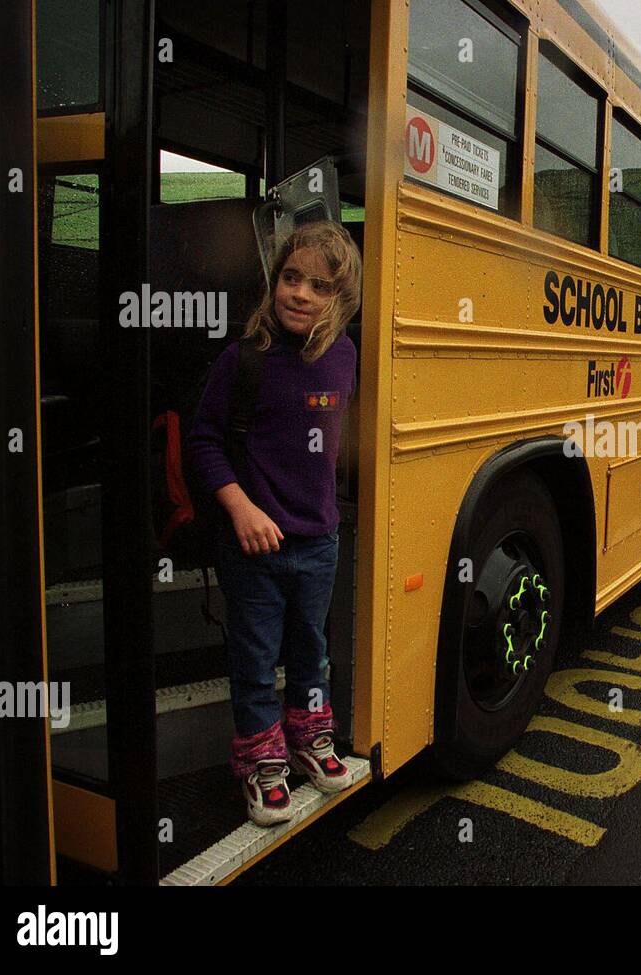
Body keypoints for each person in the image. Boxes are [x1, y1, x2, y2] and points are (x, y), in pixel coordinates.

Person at [186, 220, 361, 826]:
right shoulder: (246, 359)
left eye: (320, 286)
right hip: (254, 546)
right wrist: (240, 506)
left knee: (311, 653)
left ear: (341, 301)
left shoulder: (344, 356)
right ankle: (263, 763)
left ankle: (310, 740)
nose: (301, 294)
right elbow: (203, 442)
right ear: (274, 281)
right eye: (291, 278)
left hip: (319, 542)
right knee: (257, 659)